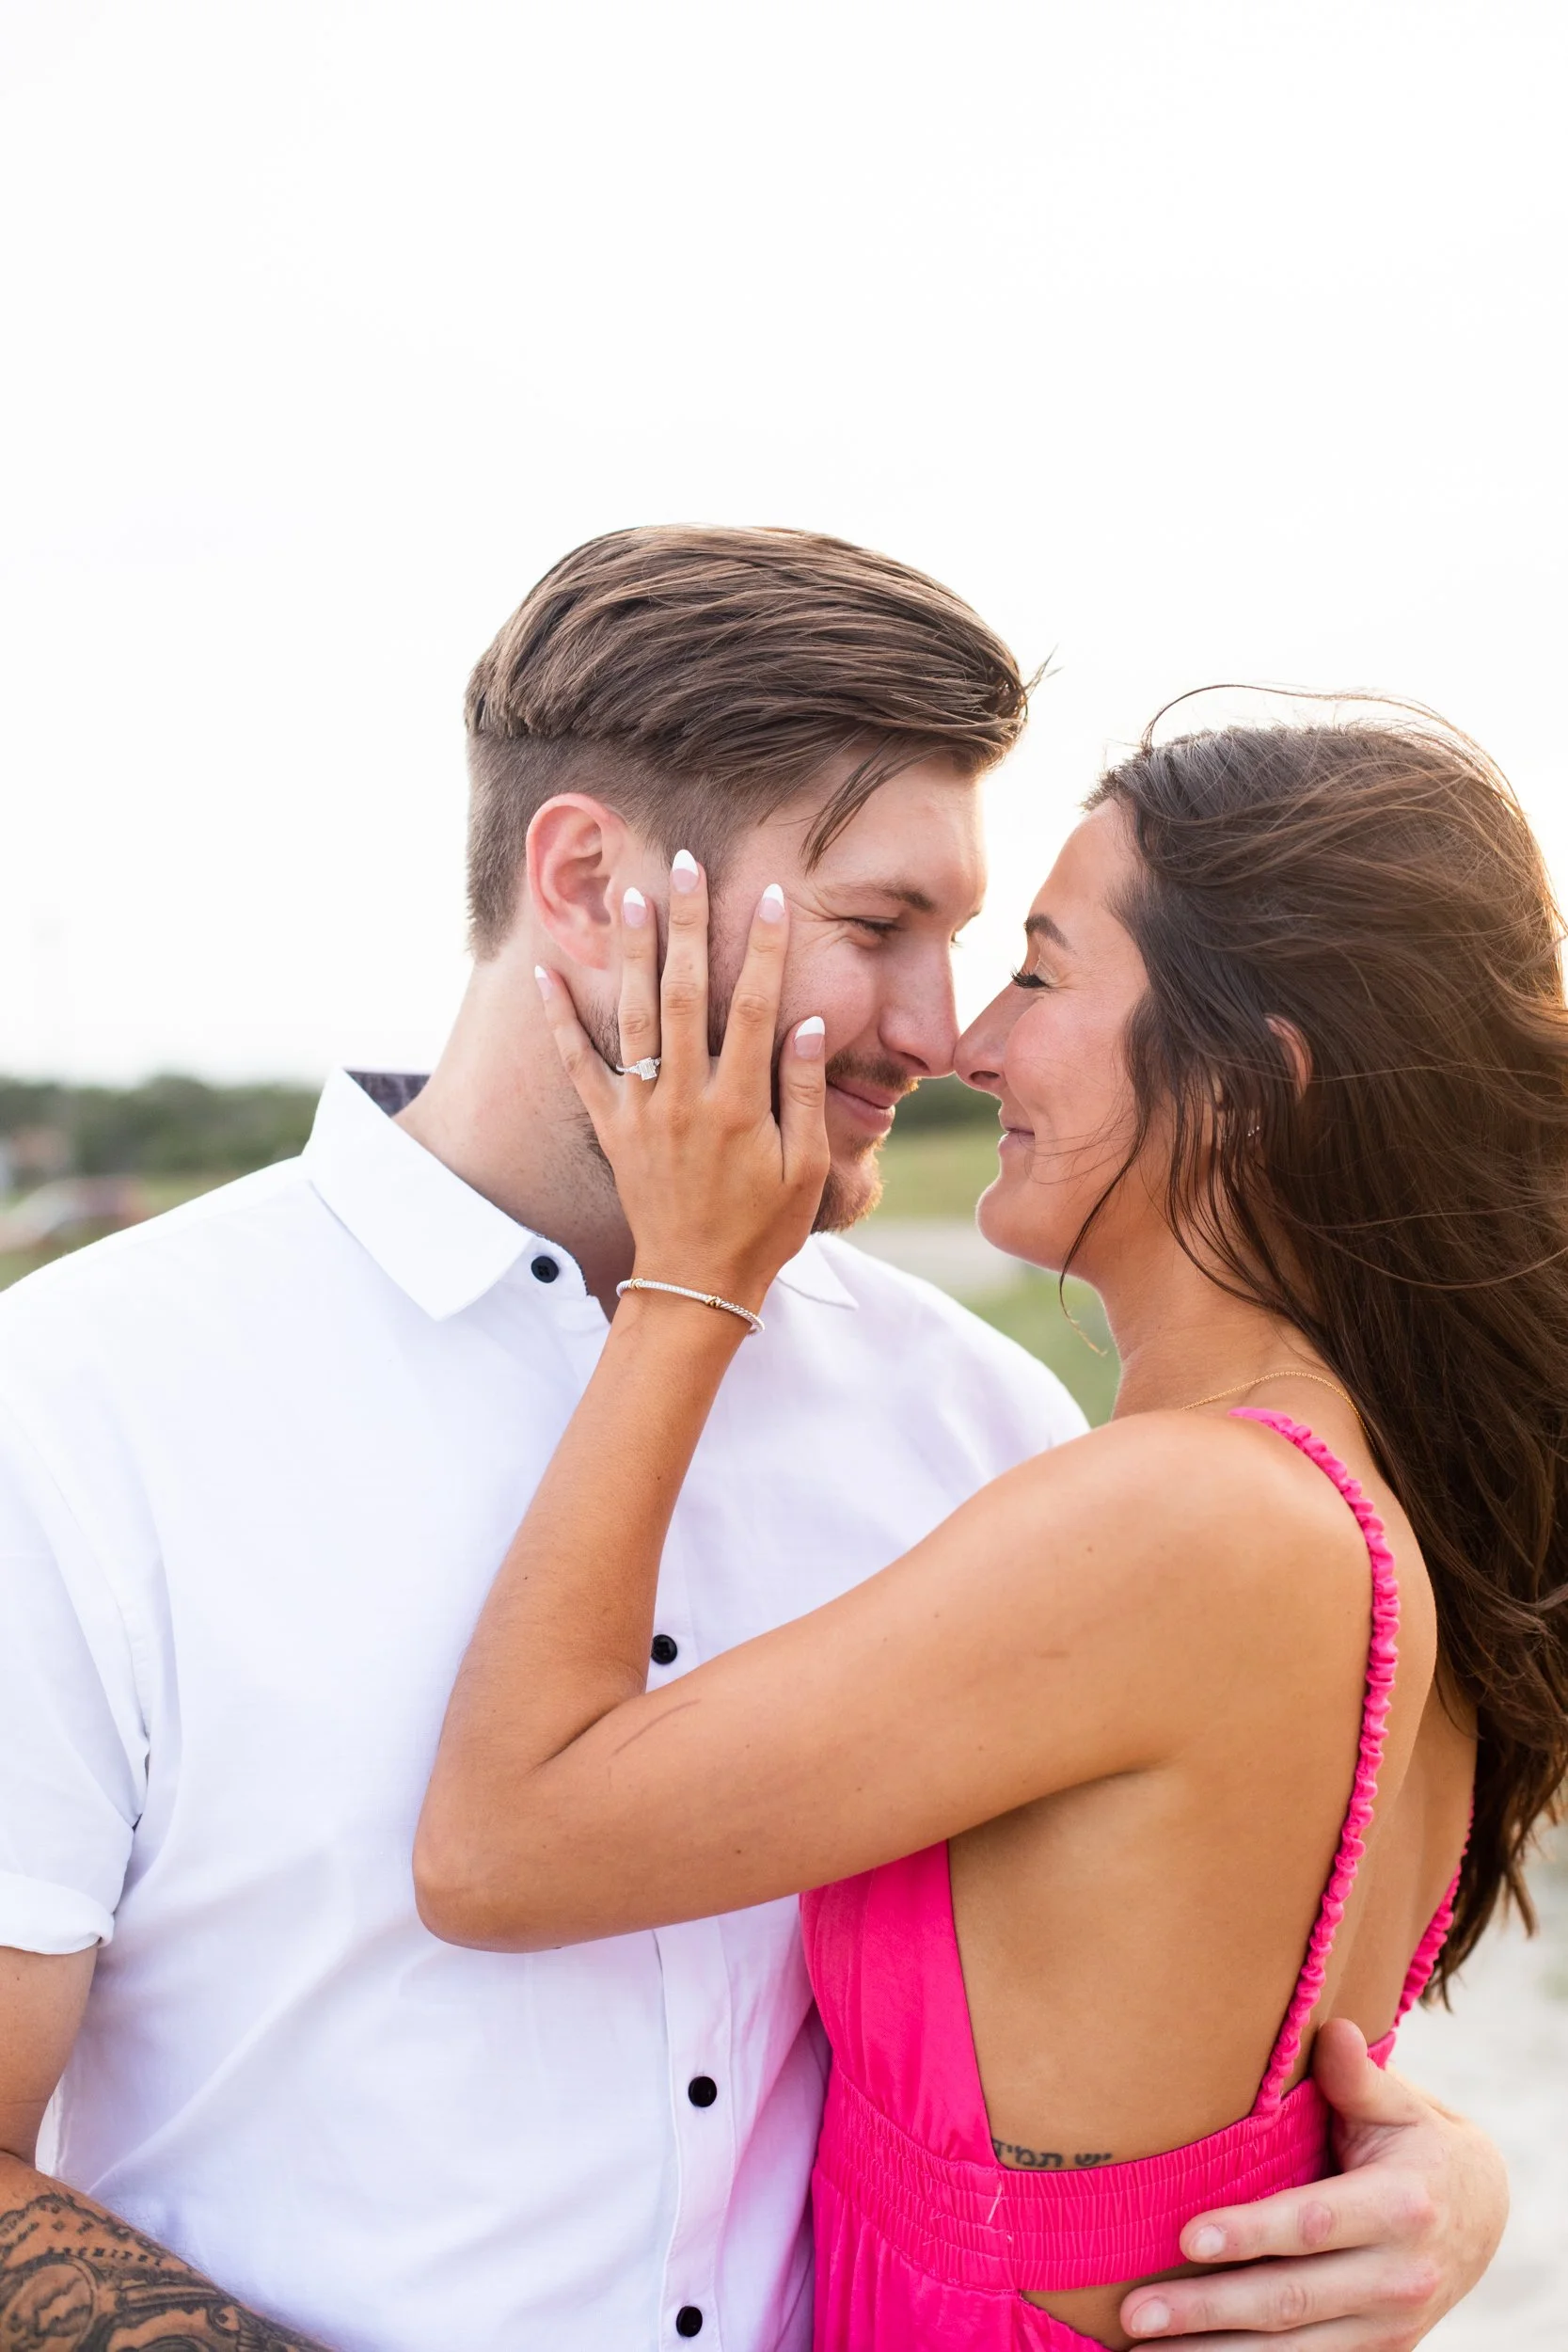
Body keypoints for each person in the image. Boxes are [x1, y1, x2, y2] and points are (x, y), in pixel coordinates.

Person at [0, 532, 1504, 2352]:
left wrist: (1407, 2183)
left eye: (977, 949)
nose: (936, 1030)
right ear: (586, 881)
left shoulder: (986, 1422)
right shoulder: (76, 1408)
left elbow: (1129, 2023)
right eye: (876, 931)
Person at [415, 700, 1568, 2349]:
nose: (969, 1044)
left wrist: (690, 1279)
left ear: (1252, 1084)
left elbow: (500, 1849)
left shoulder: (1181, 1519)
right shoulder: (1349, 1511)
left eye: (1036, 972)